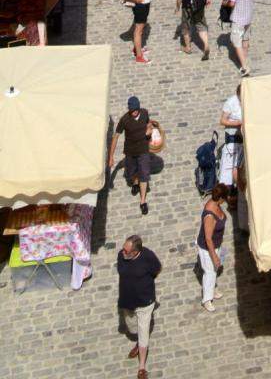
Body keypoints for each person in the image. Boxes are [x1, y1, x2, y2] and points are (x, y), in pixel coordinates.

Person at [117, 235, 161, 378]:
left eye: (126, 250)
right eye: (123, 248)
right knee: (131, 327)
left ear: (135, 252)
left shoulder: (148, 257)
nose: (123, 252)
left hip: (144, 302)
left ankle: (142, 366)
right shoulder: (121, 256)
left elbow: (157, 269)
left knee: (143, 332)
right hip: (127, 301)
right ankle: (138, 343)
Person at [110, 94, 156, 216]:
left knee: (144, 175)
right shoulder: (124, 120)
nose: (134, 112)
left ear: (139, 108)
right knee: (131, 173)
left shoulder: (145, 113)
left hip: (143, 151)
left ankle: (142, 201)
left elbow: (148, 123)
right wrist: (111, 157)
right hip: (130, 152)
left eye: (136, 110)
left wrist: (149, 130)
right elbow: (115, 137)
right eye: (132, 110)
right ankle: (135, 183)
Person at [196, 184, 230, 310]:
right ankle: (207, 299)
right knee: (209, 272)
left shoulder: (217, 205)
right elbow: (208, 238)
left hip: (217, 244)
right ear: (220, 198)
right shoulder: (209, 215)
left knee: (214, 269)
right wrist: (214, 255)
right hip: (207, 248)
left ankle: (213, 289)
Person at [225, 0, 257, 75]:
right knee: (245, 38)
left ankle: (244, 67)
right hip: (248, 15)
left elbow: (231, 3)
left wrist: (225, 2)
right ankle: (244, 58)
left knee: (236, 41)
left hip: (239, 17)